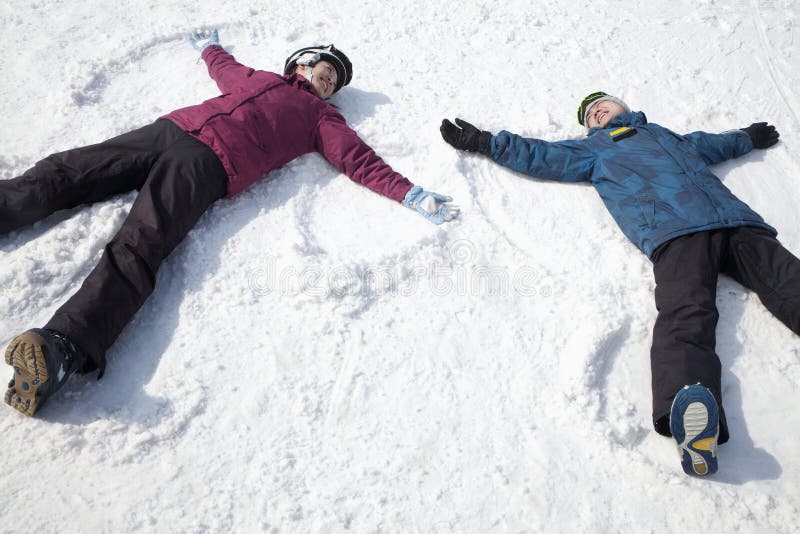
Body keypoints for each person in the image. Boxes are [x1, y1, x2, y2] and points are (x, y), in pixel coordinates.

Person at [2, 29, 460, 417]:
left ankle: (63, 347)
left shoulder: (321, 117)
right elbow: (224, 67)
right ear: (302, 64)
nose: (328, 79)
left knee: (141, 242)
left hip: (208, 164)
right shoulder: (255, 78)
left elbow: (357, 159)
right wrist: (209, 49)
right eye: (325, 68)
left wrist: (408, 191)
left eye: (334, 80)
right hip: (170, 129)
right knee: (65, 170)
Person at [440, 91, 795, 477]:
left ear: (624, 105)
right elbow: (541, 156)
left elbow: (713, 144)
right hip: (674, 232)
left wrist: (746, 136)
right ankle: (690, 410)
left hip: (737, 222)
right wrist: (487, 143)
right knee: (686, 311)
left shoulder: (667, 135)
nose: (596, 111)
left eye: (602, 104)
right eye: (590, 114)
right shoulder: (595, 149)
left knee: (790, 280)